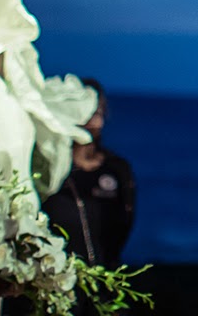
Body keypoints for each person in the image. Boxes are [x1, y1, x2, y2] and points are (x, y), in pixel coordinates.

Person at [40, 77, 136, 268]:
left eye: (98, 112)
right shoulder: (51, 168)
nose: (94, 121)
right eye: (88, 112)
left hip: (102, 277)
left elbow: (125, 222)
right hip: (56, 275)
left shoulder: (116, 168)